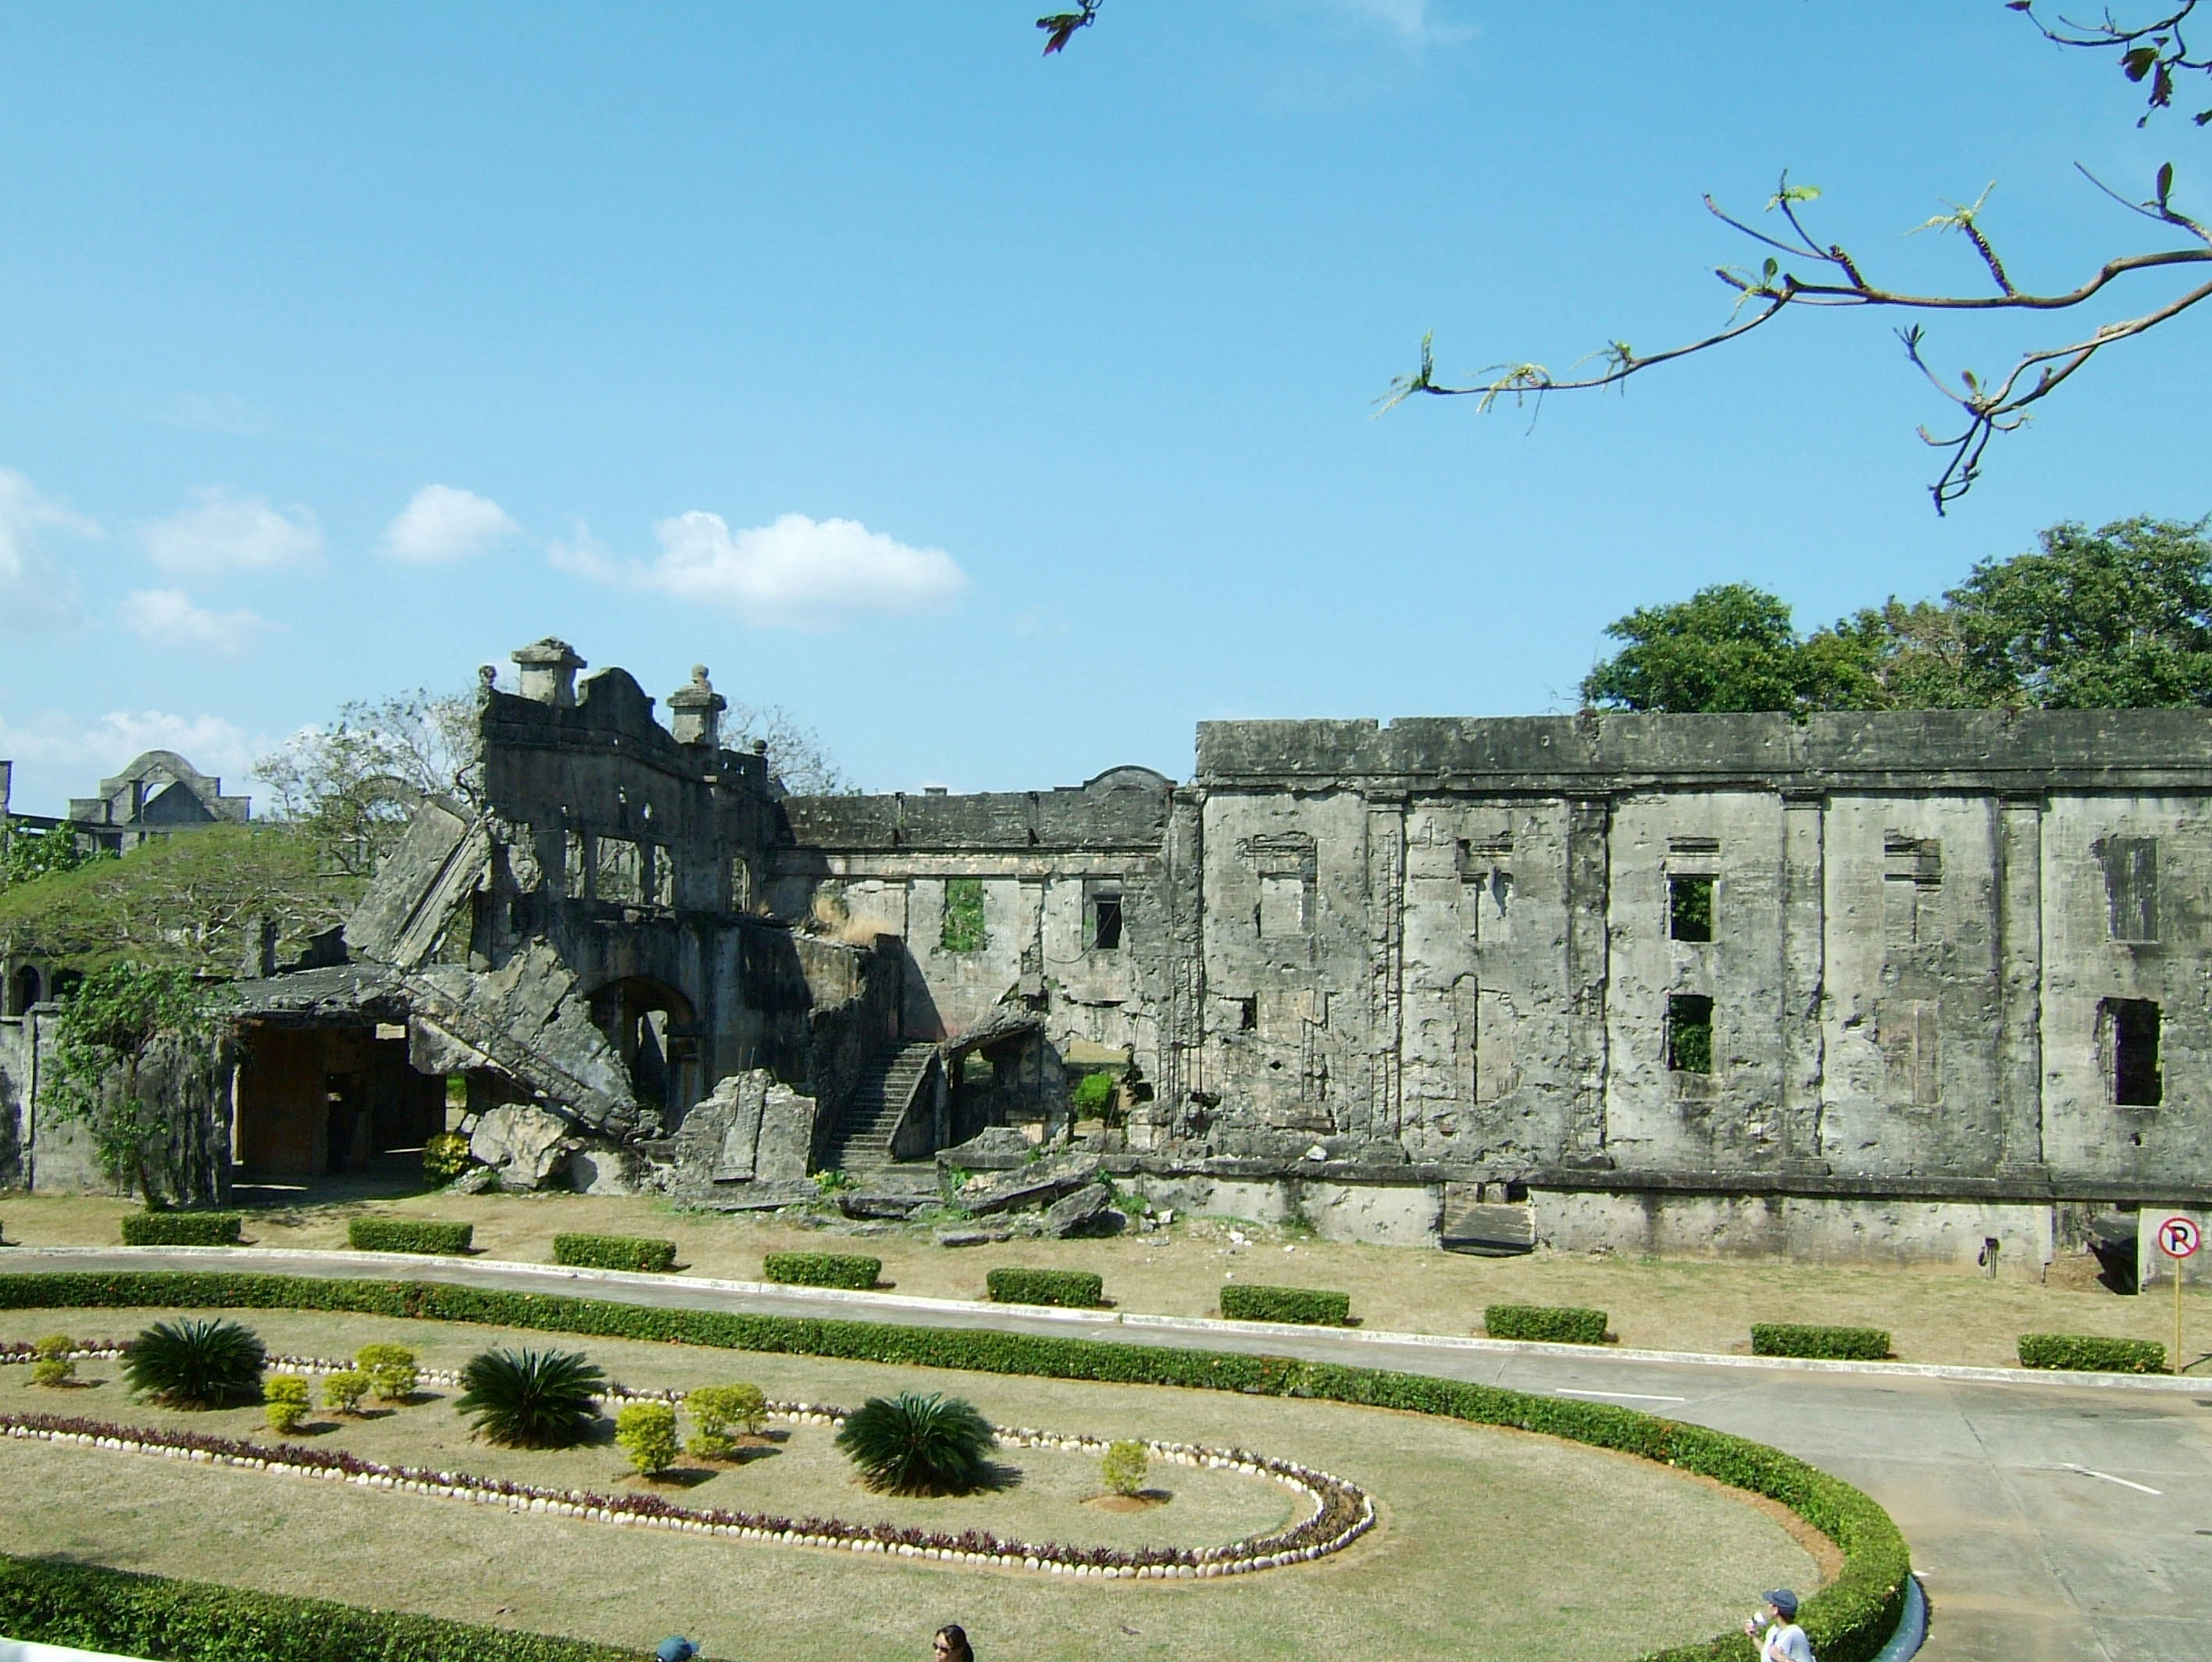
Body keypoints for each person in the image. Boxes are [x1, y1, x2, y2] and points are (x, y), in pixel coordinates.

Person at [1743, 1590, 1813, 1662]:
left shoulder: (1795, 1634)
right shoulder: (1773, 1630)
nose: (1768, 1605)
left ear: (1775, 1610)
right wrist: (1754, 1637)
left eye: (1771, 1603)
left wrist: (1782, 1659)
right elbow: (1767, 1655)